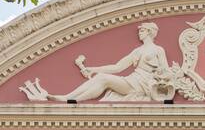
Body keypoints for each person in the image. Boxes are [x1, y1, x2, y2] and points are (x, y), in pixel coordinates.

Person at [21, 23, 174, 102]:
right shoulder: (138, 51)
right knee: (101, 77)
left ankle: (71, 99)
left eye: (142, 30)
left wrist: (161, 77)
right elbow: (118, 67)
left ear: (149, 32)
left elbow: (166, 71)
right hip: (132, 81)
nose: (139, 32)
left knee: (103, 79)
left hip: (143, 85)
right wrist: (93, 69)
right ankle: (69, 97)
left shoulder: (158, 50)